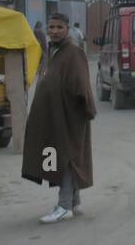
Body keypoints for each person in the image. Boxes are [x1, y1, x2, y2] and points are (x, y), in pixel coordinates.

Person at [23, 13, 97, 223]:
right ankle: (73, 201)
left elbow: (81, 86)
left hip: (68, 118)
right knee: (55, 157)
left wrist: (85, 111)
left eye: (59, 27)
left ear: (67, 29)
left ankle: (64, 206)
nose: (54, 31)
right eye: (51, 27)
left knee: (65, 158)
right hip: (52, 117)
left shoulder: (73, 53)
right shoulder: (52, 51)